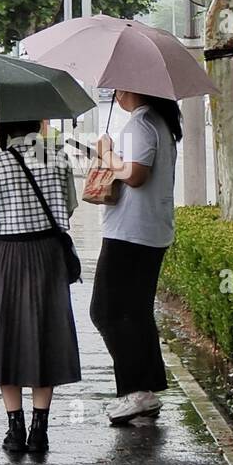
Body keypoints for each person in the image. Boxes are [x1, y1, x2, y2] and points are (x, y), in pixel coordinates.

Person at [0, 122, 80, 453]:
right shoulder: (58, 159)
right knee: (46, 335)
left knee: (5, 336)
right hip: (48, 256)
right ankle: (40, 429)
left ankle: (15, 429)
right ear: (37, 127)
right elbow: (68, 208)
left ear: (3, 131)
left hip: (6, 257)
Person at [91, 91, 181, 426]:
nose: (115, 94)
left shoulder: (143, 123)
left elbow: (136, 175)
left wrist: (107, 154)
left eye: (117, 88)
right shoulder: (157, 122)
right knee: (135, 313)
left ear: (131, 88)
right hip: (145, 231)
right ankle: (146, 390)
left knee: (107, 312)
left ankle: (136, 392)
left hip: (131, 234)